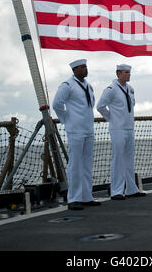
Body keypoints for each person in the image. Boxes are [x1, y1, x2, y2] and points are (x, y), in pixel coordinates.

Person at [52, 59, 101, 210]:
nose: (85, 69)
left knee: (87, 164)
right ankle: (73, 198)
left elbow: (89, 106)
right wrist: (67, 120)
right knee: (75, 165)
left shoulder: (88, 86)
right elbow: (57, 104)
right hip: (76, 130)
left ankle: (87, 196)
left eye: (86, 66)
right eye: (82, 67)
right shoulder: (67, 86)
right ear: (74, 70)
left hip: (88, 129)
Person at [97, 64, 146, 200]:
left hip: (129, 127)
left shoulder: (130, 89)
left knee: (129, 159)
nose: (128, 75)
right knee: (118, 159)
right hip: (117, 128)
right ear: (118, 74)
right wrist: (111, 119)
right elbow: (100, 106)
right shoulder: (111, 90)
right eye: (125, 72)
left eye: (129, 73)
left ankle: (131, 189)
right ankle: (116, 191)